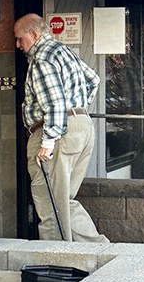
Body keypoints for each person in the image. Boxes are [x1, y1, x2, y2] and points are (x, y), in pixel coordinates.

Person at [14, 13, 108, 242]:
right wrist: (78, 109)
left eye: (19, 38)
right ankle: (100, 250)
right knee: (63, 201)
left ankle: (55, 264)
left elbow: (54, 103)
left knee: (49, 204)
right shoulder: (63, 50)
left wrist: (47, 142)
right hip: (81, 126)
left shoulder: (42, 58)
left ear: (33, 34)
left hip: (57, 132)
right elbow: (93, 79)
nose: (17, 44)